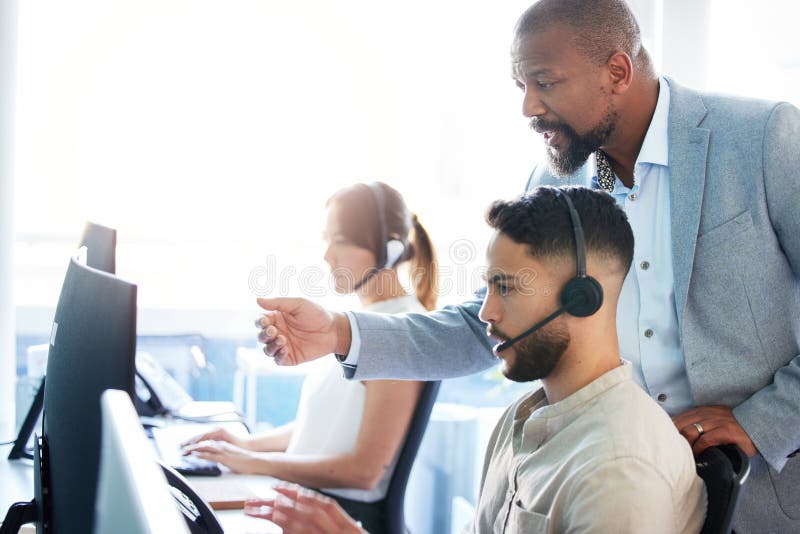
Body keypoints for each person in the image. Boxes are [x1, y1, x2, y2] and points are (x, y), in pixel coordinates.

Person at [255, 1, 800, 530]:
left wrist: (762, 423)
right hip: (608, 481)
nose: (528, 107)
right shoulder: (555, 184)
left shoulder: (758, 139)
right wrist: (339, 333)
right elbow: (484, 324)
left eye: (545, 81)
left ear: (617, 71)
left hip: (758, 496)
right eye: (521, 86)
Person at [250, 187, 707, 533]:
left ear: (582, 298)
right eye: (486, 287)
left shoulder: (618, 471)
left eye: (505, 287)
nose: (486, 312)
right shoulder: (522, 420)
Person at [185, 182, 438, 534]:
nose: (327, 255)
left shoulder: (398, 331)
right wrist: (245, 445)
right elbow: (322, 426)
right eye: (327, 239)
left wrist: (255, 463)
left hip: (339, 520)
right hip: (307, 505)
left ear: (390, 248)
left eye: (341, 241)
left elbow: (364, 470)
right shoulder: (358, 325)